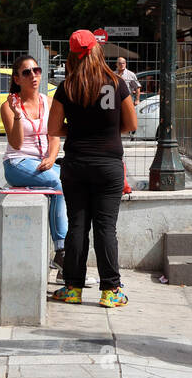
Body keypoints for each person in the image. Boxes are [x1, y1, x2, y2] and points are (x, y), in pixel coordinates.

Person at [43, 30, 136, 308]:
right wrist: (105, 130)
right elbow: (131, 124)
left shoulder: (66, 87)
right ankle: (111, 291)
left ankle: (72, 287)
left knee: (77, 226)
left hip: (76, 164)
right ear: (96, 51)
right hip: (108, 165)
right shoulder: (116, 83)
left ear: (71, 54)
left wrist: (79, 130)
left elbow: (54, 129)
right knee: (106, 227)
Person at [1, 54, 67, 271]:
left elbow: (55, 137)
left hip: (42, 162)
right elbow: (17, 144)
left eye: (36, 70)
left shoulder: (49, 103)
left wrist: (50, 157)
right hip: (17, 163)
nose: (34, 76)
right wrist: (18, 115)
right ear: (17, 79)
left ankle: (70, 248)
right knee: (57, 183)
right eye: (27, 72)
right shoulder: (8, 106)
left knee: (70, 180)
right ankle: (61, 250)